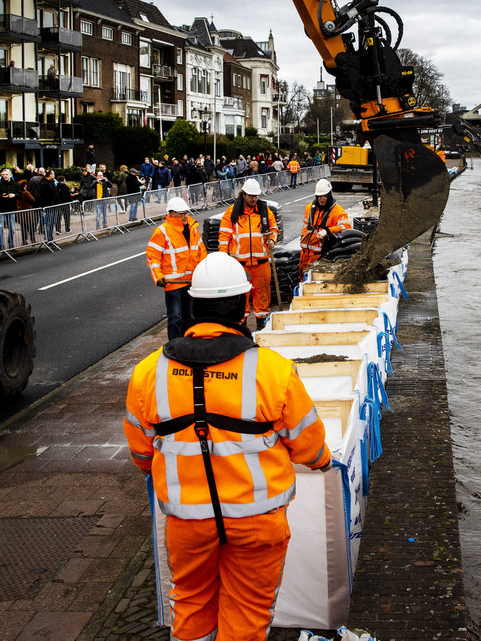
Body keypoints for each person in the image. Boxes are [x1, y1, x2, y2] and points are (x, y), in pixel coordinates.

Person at [123, 253, 331, 641]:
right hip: (257, 522)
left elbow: (140, 454)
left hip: (188, 525)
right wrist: (323, 462)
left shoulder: (148, 373)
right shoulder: (273, 371)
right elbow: (311, 447)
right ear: (243, 306)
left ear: (192, 304)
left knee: (190, 607)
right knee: (248, 613)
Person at [219, 178, 279, 328]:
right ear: (243, 195)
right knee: (241, 299)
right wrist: (223, 256)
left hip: (261, 263)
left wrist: (272, 239)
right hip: (240, 266)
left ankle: (262, 325)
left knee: (263, 296)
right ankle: (242, 328)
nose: (254, 199)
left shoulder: (264, 211)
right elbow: (224, 235)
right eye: (251, 196)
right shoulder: (232, 213)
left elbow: (273, 229)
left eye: (256, 196)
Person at [147, 197, 208, 340]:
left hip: (191, 280)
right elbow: (153, 256)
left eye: (186, 212)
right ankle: (175, 344)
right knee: (175, 316)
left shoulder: (192, 228)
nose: (186, 216)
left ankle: (189, 342)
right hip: (173, 282)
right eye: (182, 213)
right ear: (172, 213)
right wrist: (158, 275)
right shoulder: (162, 231)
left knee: (190, 315)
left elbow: (201, 252)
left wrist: (204, 273)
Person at [299, 178, 351, 271]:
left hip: (320, 256)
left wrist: (327, 231)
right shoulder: (309, 208)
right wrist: (303, 238)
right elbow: (305, 226)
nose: (322, 199)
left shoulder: (337, 211)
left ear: (329, 195)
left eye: (324, 196)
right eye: (319, 196)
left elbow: (346, 227)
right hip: (305, 254)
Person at [0, 168, 20, 250]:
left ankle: (11, 244)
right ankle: (1, 245)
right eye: (3, 175)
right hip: (1, 209)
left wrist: (14, 195)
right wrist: (2, 196)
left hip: (11, 208)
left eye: (6, 174)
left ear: (10, 175)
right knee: (0, 228)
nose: (4, 176)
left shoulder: (15, 184)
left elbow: (20, 194)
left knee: (12, 228)